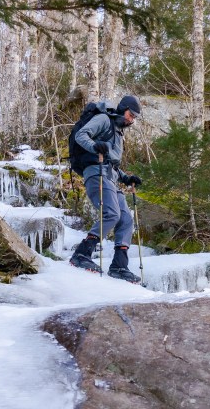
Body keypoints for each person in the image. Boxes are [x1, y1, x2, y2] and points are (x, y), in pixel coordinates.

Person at [70, 95, 143, 283]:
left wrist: (126, 178)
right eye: (131, 114)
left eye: (134, 117)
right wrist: (95, 146)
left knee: (126, 219)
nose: (131, 120)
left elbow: (112, 163)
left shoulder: (118, 132)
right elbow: (81, 135)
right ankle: (82, 253)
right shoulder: (104, 119)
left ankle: (119, 266)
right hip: (96, 174)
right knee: (111, 213)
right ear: (123, 108)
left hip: (110, 177)